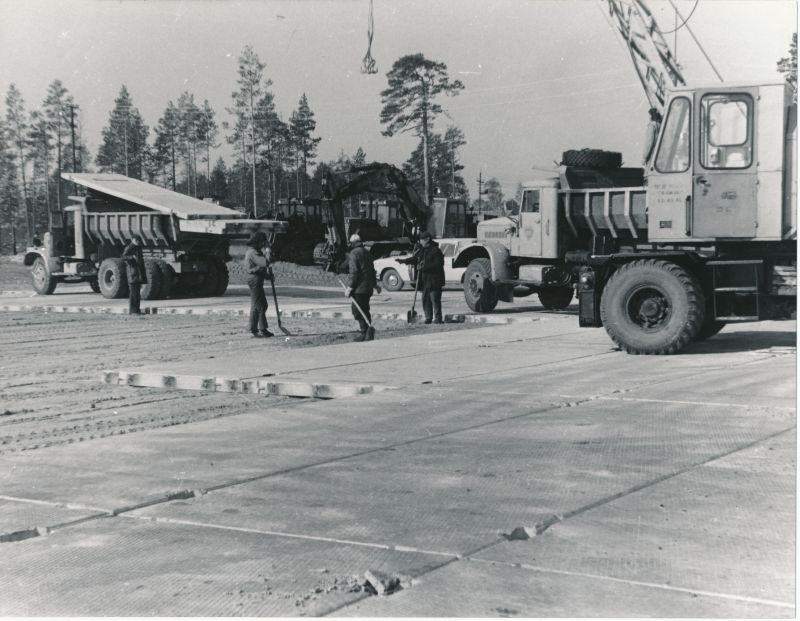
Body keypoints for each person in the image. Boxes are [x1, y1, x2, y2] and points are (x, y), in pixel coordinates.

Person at [402, 231, 445, 324]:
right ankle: (428, 317)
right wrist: (404, 261)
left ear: (427, 239)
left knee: (435, 300)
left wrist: (423, 267)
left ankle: (438, 318)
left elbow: (438, 264)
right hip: (425, 280)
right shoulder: (422, 250)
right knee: (425, 300)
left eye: (421, 240)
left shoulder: (436, 250)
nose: (420, 241)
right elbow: (415, 259)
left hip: (435, 280)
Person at [344, 233, 380, 341]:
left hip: (359, 288)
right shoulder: (367, 252)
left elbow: (354, 272)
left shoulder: (354, 253)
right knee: (365, 309)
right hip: (368, 288)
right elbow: (371, 271)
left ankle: (365, 332)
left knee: (357, 311)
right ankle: (368, 332)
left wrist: (350, 287)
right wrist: (374, 285)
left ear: (352, 243)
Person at [244, 231, 274, 338]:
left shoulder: (254, 251)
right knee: (261, 305)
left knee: (256, 305)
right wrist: (268, 250)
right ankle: (262, 329)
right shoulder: (253, 252)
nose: (263, 244)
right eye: (263, 242)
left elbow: (261, 268)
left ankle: (252, 328)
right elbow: (265, 263)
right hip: (254, 280)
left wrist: (267, 276)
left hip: (256, 279)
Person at [122, 235, 147, 315]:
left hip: (137, 273)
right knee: (133, 293)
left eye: (139, 240)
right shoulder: (130, 247)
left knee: (137, 293)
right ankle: (133, 311)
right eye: (137, 240)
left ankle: (137, 310)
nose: (138, 242)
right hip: (132, 273)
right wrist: (131, 257)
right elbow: (123, 256)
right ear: (133, 239)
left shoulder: (138, 247)